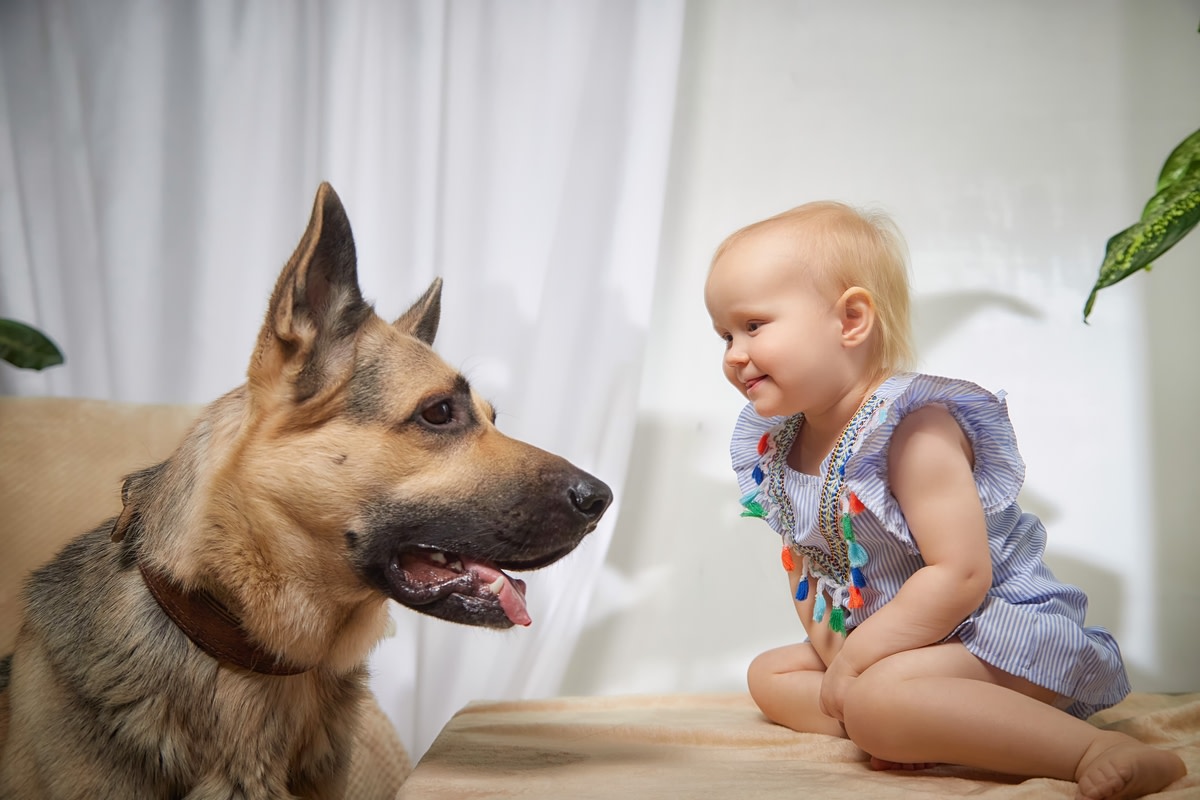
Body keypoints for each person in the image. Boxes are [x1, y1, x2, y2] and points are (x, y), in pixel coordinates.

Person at [703, 201, 1187, 800]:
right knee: (770, 675)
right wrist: (842, 656)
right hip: (895, 645)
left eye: (753, 326)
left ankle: (1096, 749)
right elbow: (814, 572)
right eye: (724, 334)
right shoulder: (781, 447)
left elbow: (961, 574)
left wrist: (858, 668)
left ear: (850, 319)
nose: (733, 353)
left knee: (876, 696)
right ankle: (923, 726)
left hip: (994, 632)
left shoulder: (913, 429)